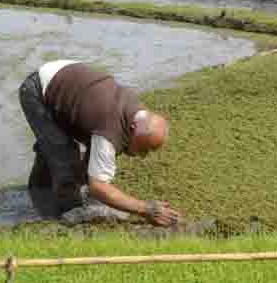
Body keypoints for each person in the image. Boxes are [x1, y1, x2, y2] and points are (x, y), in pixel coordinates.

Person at [17, 60, 181, 227]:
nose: (143, 155)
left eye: (148, 151)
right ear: (132, 129)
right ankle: (66, 217)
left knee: (55, 149)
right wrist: (145, 209)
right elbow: (98, 187)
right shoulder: (109, 131)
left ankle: (38, 191)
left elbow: (95, 151)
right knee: (66, 159)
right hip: (38, 91)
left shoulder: (137, 113)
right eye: (142, 148)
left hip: (67, 82)